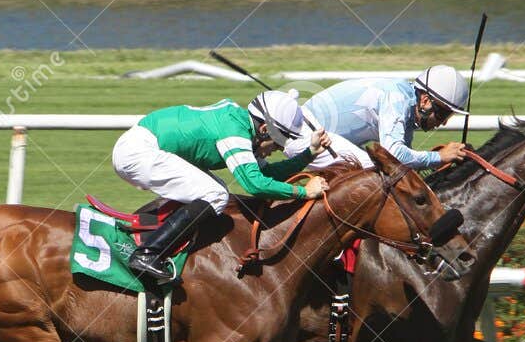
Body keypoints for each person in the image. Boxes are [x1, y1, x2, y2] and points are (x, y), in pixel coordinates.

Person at [111, 90, 340, 282]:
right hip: (138, 153)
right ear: (263, 130)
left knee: (216, 189)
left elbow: (265, 173)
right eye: (281, 141)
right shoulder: (235, 131)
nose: (280, 149)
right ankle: (147, 254)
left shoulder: (239, 123)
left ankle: (170, 241)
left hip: (145, 146)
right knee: (216, 194)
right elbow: (255, 185)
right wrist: (302, 192)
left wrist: (308, 155)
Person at [301, 65, 472, 171]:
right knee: (381, 170)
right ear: (425, 100)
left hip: (320, 135)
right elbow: (395, 155)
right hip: (310, 136)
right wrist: (439, 157)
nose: (444, 122)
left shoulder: (409, 104)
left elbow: (407, 160)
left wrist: (439, 160)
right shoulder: (397, 98)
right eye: (442, 114)